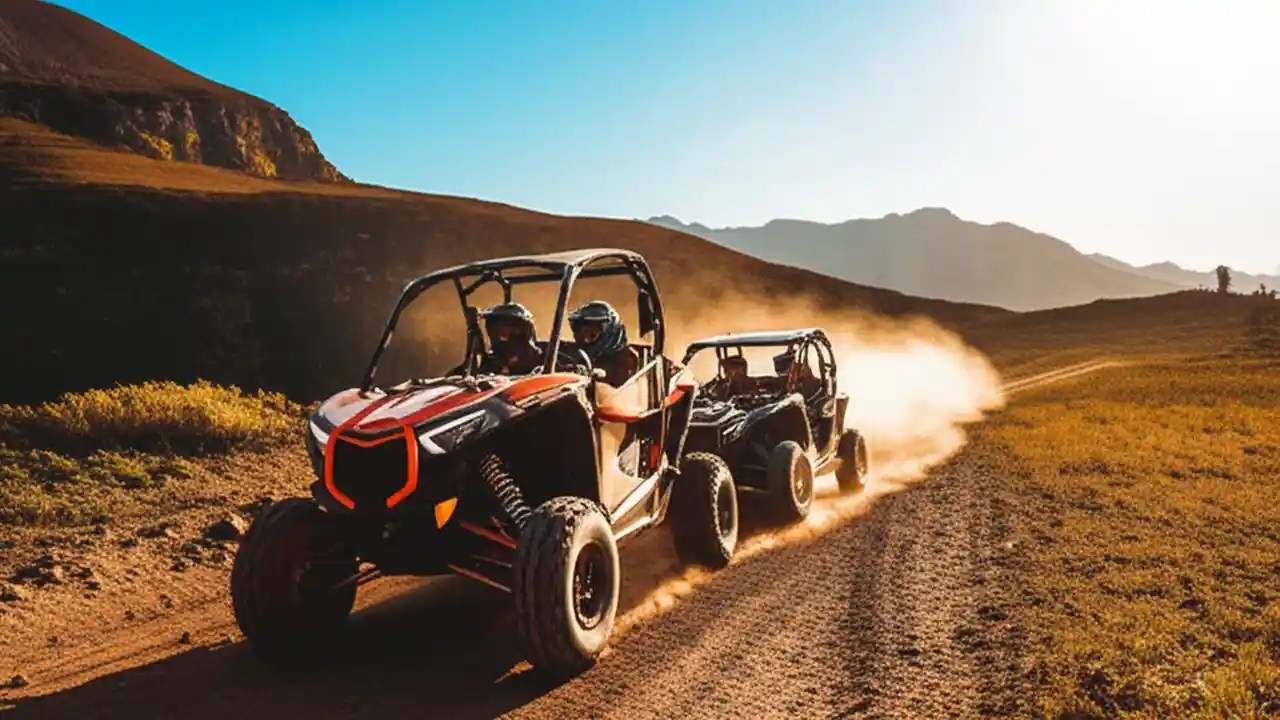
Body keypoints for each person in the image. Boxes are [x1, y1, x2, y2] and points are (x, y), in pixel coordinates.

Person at [569, 300, 638, 386]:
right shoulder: (581, 353)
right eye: (583, 336)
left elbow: (623, 384)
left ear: (608, 333)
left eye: (592, 335)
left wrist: (601, 374)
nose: (586, 340)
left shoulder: (627, 357)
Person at [477, 302, 541, 375]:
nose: (500, 331)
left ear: (519, 329)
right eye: (498, 326)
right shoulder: (493, 359)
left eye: (506, 326)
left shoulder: (537, 358)